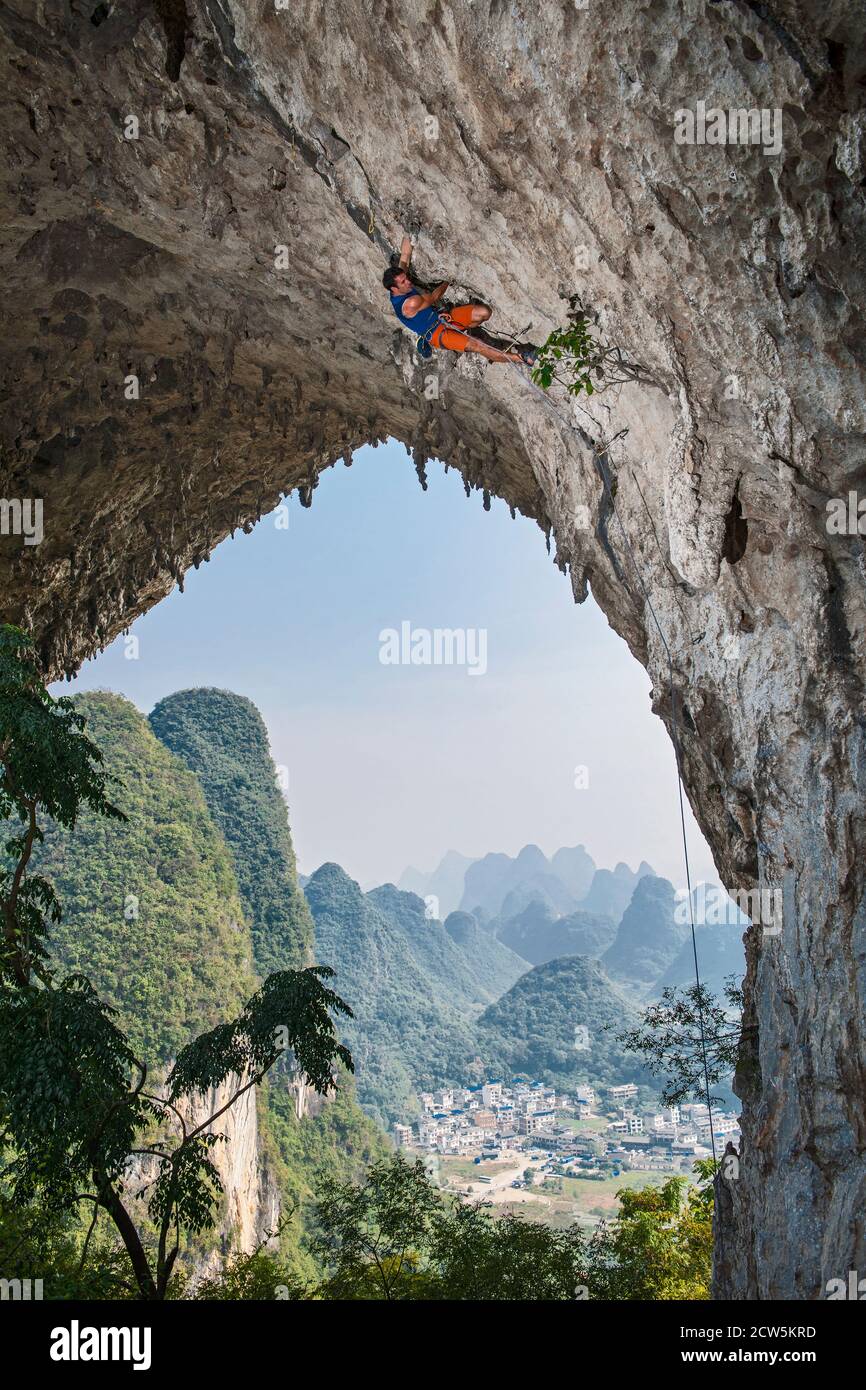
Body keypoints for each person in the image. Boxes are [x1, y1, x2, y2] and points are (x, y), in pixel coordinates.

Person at [383, 236, 536, 365]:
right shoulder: (410, 303)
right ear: (394, 289)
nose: (408, 282)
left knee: (484, 312)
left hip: (442, 317)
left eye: (406, 278)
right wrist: (447, 281)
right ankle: (521, 359)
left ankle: (466, 329)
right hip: (437, 334)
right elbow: (435, 296)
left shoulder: (399, 284)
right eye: (403, 282)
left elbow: (405, 255)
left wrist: (409, 236)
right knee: (478, 345)